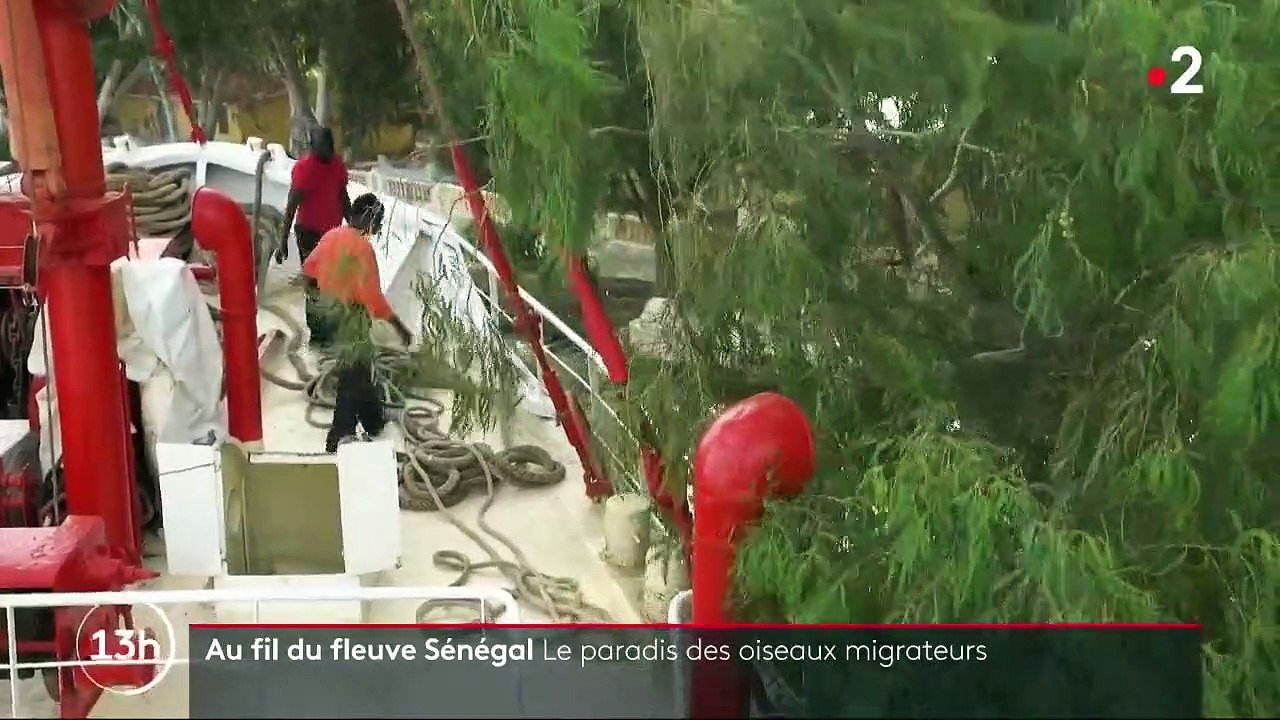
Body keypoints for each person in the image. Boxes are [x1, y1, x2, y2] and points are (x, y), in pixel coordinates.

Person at [301, 194, 414, 452]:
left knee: (362, 367)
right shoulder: (363, 248)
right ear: (368, 217)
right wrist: (401, 329)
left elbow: (308, 272)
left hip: (322, 315)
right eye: (379, 221)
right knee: (352, 375)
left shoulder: (331, 236)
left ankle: (373, 420)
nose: (380, 228)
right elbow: (373, 300)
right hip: (347, 320)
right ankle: (339, 436)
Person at [277, 126, 351, 346]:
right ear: (313, 149)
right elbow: (292, 206)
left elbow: (343, 197)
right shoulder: (304, 169)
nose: (328, 153)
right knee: (315, 285)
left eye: (330, 148)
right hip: (308, 234)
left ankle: (334, 329)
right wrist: (283, 241)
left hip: (333, 233)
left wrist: (356, 225)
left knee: (334, 282)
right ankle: (317, 337)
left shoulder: (337, 164)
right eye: (323, 149)